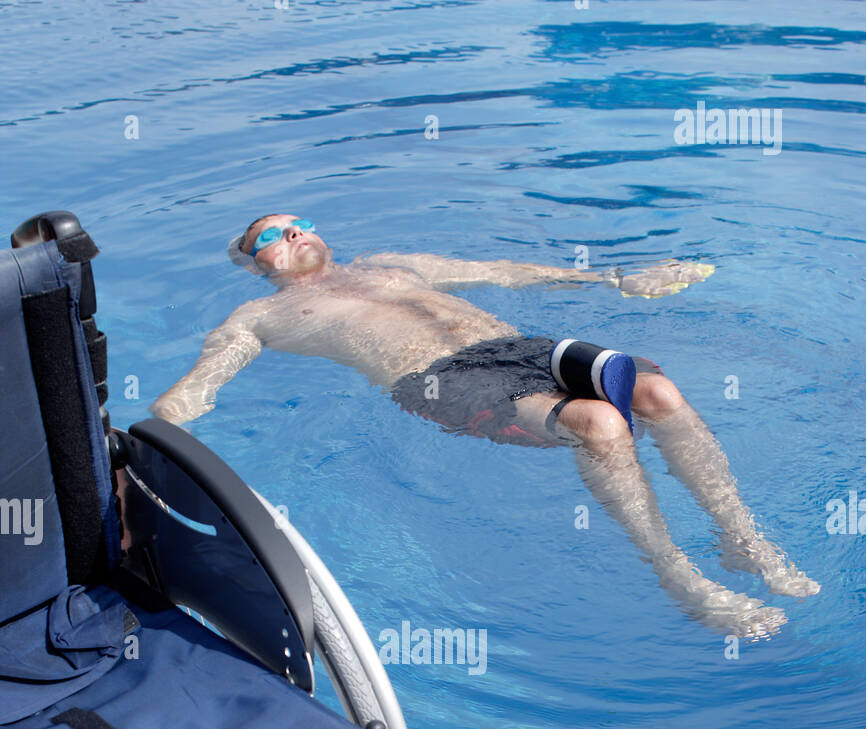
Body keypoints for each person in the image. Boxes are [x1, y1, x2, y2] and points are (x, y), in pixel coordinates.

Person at [152, 214, 819, 637]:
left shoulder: (391, 262)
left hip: (517, 346)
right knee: (598, 424)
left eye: (297, 224)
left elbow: (502, 272)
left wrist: (615, 279)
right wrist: (159, 430)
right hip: (443, 381)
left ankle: (744, 542)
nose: (292, 234)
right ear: (254, 263)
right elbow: (194, 390)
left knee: (659, 393)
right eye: (271, 235)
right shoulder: (256, 318)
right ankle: (680, 576)